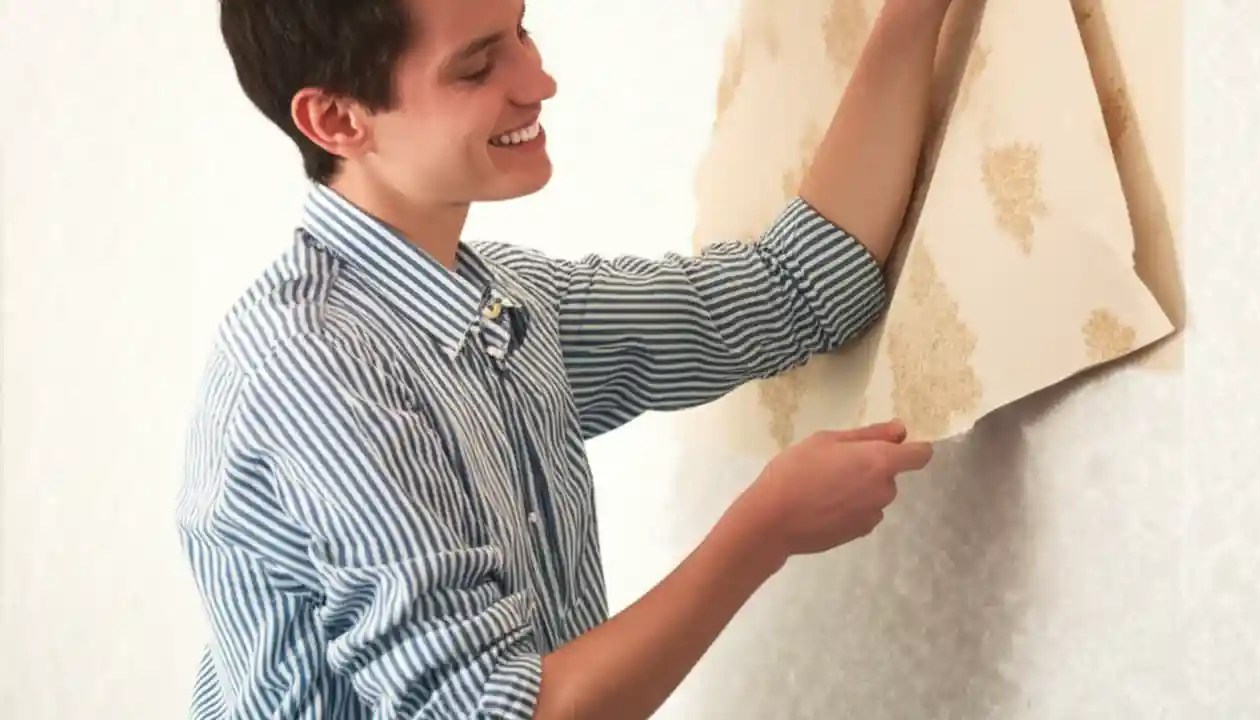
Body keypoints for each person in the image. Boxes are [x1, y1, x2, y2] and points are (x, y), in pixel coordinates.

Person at [177, 0, 949, 717]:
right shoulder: (315, 369)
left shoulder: (509, 304)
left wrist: (914, 17)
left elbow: (797, 289)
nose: (538, 82)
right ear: (337, 119)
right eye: (478, 67)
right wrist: (764, 529)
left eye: (522, 31)